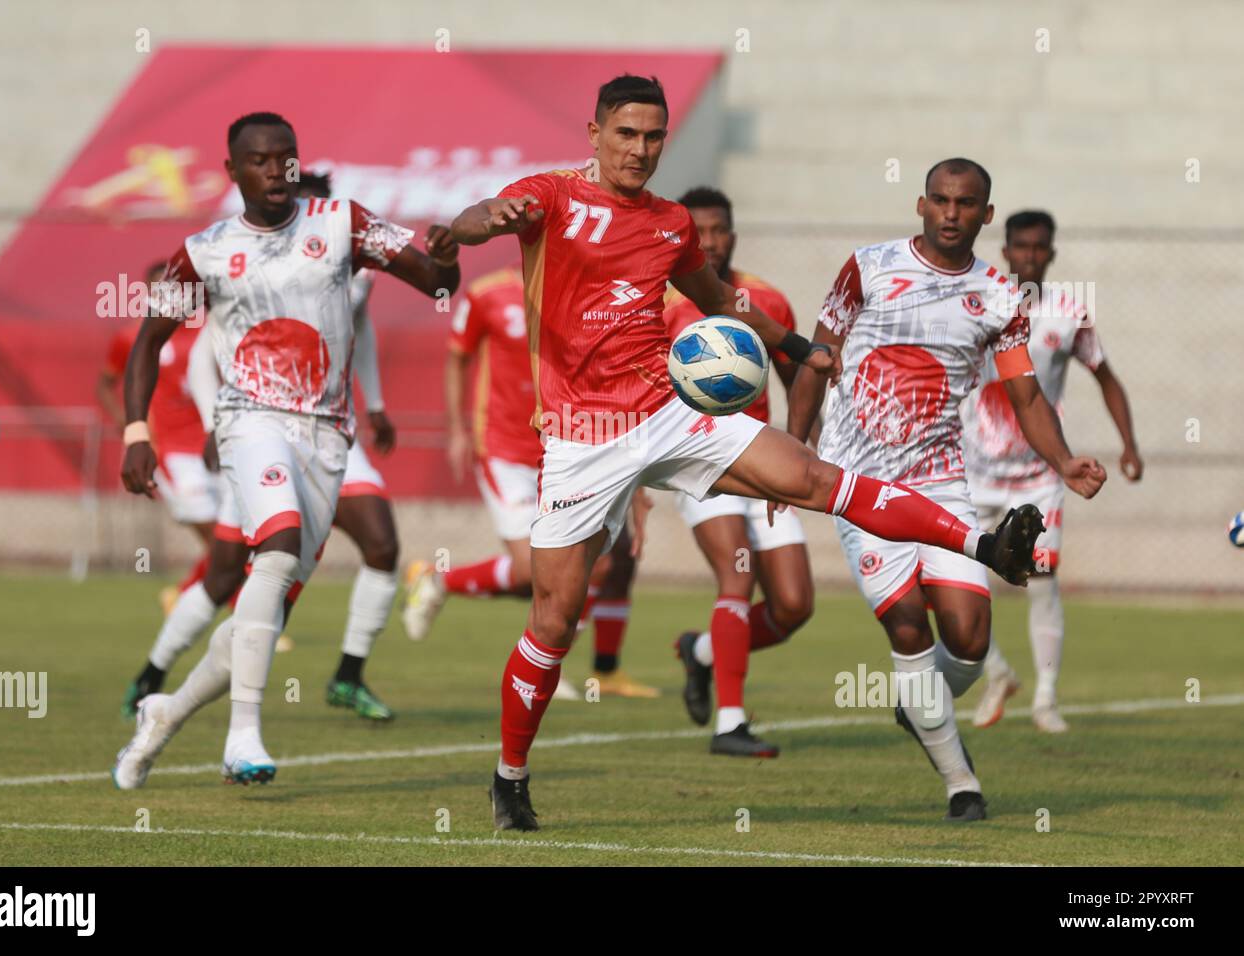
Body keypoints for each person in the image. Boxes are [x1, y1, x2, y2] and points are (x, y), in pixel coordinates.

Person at [448, 77, 1044, 831]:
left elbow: (715, 296)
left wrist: (795, 347)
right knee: (554, 622)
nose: (640, 149)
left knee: (812, 474)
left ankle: (986, 542)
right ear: (594, 131)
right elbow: (478, 221)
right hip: (581, 438)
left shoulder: (668, 222)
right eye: (626, 134)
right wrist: (474, 223)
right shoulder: (550, 196)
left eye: (653, 136)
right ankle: (510, 776)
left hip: (667, 411)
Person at [113, 113, 458, 788]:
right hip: (249, 420)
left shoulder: (342, 223)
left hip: (328, 437)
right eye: (262, 161)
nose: (278, 171)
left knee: (262, 609)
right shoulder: (206, 250)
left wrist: (447, 253)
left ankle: (164, 712)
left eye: (287, 159)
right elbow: (148, 343)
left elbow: (439, 285)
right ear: (233, 172)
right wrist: (137, 432)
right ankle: (243, 737)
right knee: (274, 545)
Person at [787, 158, 1106, 821]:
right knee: (907, 625)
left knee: (966, 634)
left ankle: (919, 704)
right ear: (921, 205)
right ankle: (962, 783)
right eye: (940, 200)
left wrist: (1067, 462)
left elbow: (1024, 391)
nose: (951, 213)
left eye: (966, 204)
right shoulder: (868, 266)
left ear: (986, 215)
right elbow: (817, 356)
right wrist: (793, 449)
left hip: (939, 482)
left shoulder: (997, 293)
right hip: (860, 484)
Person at [402, 263, 658, 697]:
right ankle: (439, 579)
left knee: (600, 564)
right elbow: (458, 356)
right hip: (504, 449)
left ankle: (549, 665)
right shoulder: (488, 293)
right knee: (532, 570)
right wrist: (458, 429)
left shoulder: (588, 296)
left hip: (566, 448)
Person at [966, 210, 1141, 734]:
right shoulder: (977, 308)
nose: (1029, 255)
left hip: (1041, 475)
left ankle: (1044, 699)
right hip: (972, 474)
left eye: (1039, 247)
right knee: (958, 584)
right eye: (1020, 246)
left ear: (1051, 253)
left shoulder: (1069, 314)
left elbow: (1106, 378)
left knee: (1040, 579)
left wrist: (1128, 444)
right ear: (1005, 250)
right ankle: (998, 673)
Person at [664, 186, 814, 757]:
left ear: (734, 233)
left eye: (719, 230)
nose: (710, 241)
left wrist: (798, 454)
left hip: (763, 460)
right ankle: (730, 725)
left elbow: (796, 376)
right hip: (698, 462)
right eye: (697, 231)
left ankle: (702, 652)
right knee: (737, 574)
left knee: (794, 606)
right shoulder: (658, 302)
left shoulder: (766, 301)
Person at [98, 260, 218, 627]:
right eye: (159, 289)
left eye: (174, 287)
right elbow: (105, 383)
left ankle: (183, 595)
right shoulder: (135, 337)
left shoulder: (206, 332)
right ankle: (251, 626)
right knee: (221, 541)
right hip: (172, 453)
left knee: (238, 540)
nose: (167, 295)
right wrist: (130, 427)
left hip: (212, 449)